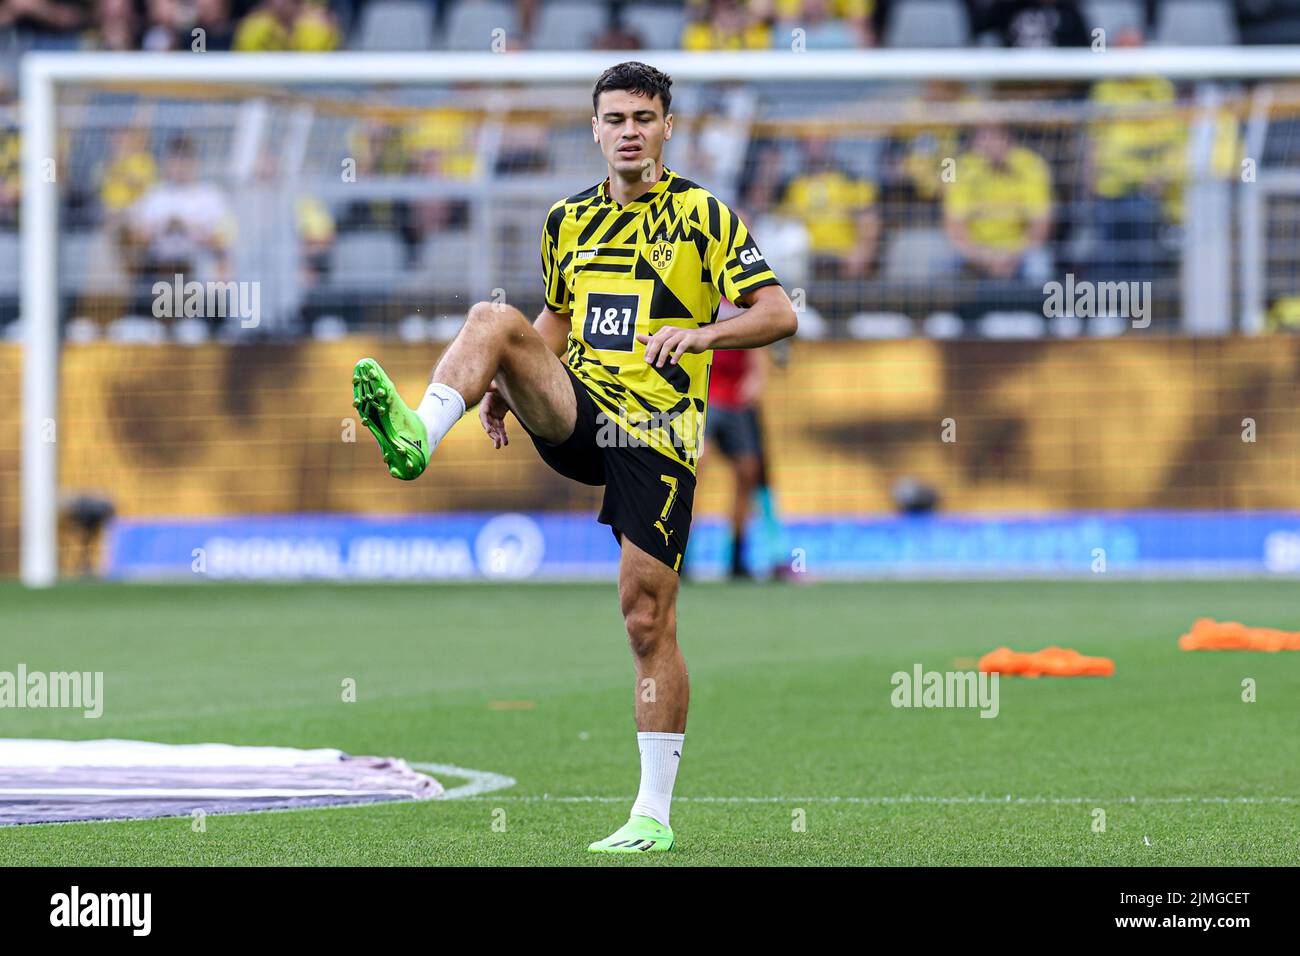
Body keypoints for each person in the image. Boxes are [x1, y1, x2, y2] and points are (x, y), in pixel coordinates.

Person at [351, 62, 797, 854]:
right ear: (594, 130)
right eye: (615, 117)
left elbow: (777, 312)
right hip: (582, 412)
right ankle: (420, 433)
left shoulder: (704, 215)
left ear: (668, 127)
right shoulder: (567, 220)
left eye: (644, 117)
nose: (629, 130)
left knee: (645, 617)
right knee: (493, 318)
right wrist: (503, 377)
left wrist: (700, 334)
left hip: (658, 436)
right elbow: (555, 318)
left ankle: (652, 816)